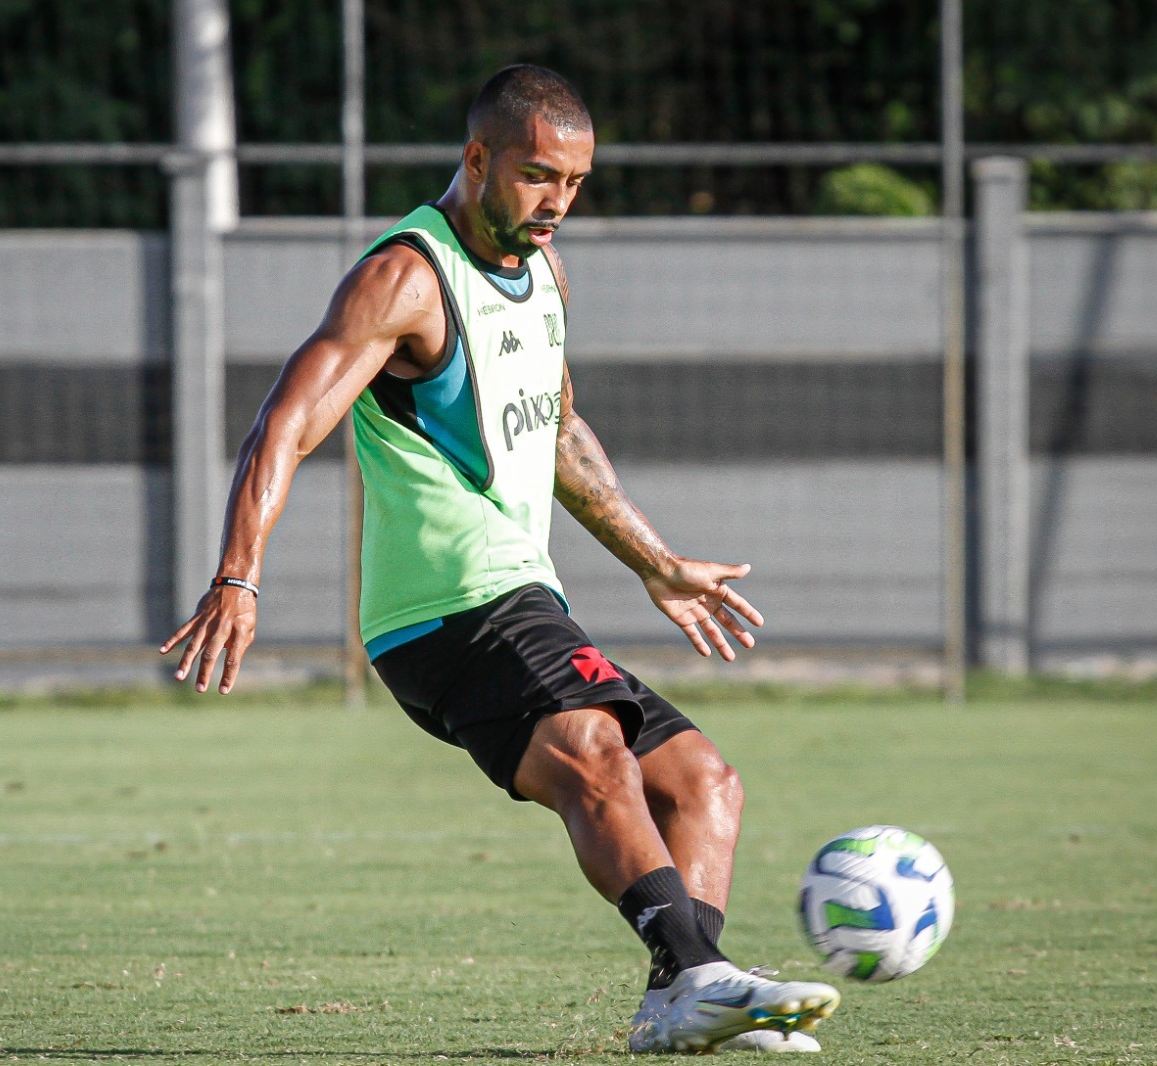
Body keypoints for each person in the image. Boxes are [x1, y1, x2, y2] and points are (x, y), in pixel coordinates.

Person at [160, 64, 839, 1055]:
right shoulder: (405, 275)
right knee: (595, 754)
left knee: (704, 782)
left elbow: (560, 435)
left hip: (523, 596)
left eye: (573, 182)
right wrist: (237, 575)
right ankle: (698, 974)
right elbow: (284, 424)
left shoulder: (545, 271)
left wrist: (653, 561)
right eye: (536, 176)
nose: (556, 202)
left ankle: (677, 995)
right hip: (443, 608)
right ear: (477, 159)